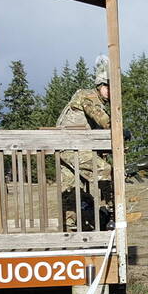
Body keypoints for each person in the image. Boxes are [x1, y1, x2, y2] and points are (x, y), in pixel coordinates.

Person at [56, 57, 114, 228]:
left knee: (72, 191)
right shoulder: (87, 95)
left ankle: (74, 225)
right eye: (107, 87)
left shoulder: (96, 102)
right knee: (105, 170)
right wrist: (117, 128)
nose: (109, 91)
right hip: (71, 145)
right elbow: (101, 118)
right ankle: (112, 210)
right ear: (99, 86)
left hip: (69, 147)